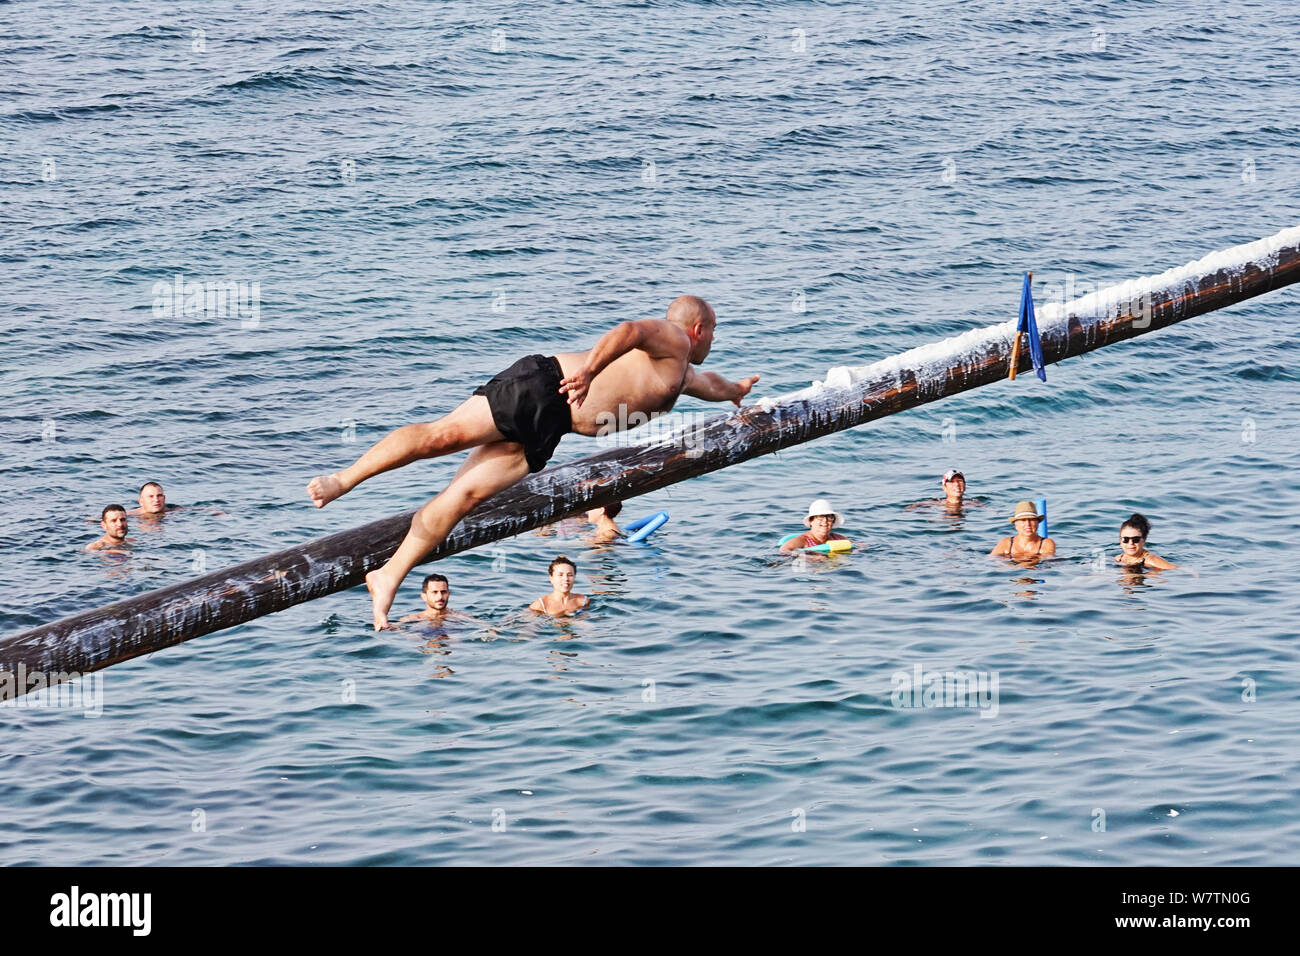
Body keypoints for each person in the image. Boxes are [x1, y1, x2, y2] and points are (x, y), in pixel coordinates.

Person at [307, 295, 759, 629]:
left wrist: (737, 392)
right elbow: (629, 331)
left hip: (552, 428)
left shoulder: (679, 372)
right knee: (440, 437)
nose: (714, 340)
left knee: (462, 498)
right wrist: (589, 371)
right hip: (547, 386)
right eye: (714, 332)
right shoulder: (673, 337)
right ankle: (343, 480)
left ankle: (388, 575)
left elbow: (709, 384)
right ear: (697, 329)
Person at [398, 573, 476, 625]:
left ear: (448, 594)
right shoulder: (412, 619)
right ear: (424, 596)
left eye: (443, 592)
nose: (440, 597)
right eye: (434, 592)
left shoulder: (460, 617)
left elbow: (484, 627)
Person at [990, 500, 1056, 560]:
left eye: (1031, 520)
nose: (1028, 524)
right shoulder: (1006, 543)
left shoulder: (1046, 543)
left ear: (1038, 523)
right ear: (1015, 525)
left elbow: (1048, 562)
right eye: (1023, 520)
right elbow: (992, 560)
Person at [780, 499, 850, 553]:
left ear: (833, 521)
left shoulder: (836, 538)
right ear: (811, 521)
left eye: (829, 517)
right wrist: (805, 556)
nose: (825, 521)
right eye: (820, 517)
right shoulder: (803, 540)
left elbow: (857, 546)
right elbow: (783, 550)